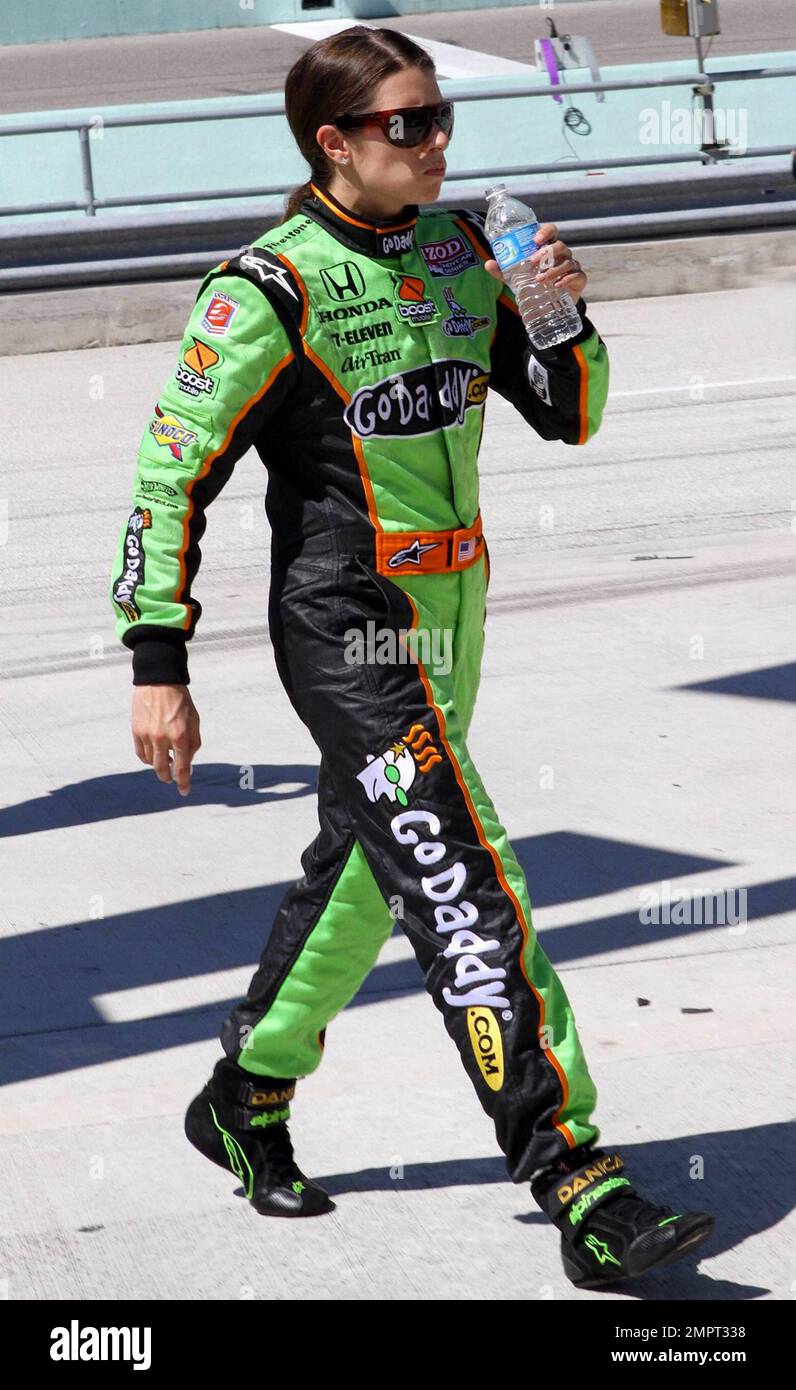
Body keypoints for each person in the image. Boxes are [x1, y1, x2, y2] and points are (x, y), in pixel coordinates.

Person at [109, 26, 714, 1288]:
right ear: (332, 143)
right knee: (461, 877)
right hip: (348, 626)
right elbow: (170, 479)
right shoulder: (263, 289)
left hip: (458, 614)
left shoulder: (456, 253)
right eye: (407, 125)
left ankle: (247, 1089)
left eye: (441, 117)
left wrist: (558, 314)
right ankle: (571, 1170)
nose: (437, 141)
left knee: (372, 873)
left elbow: (572, 414)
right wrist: (156, 658)